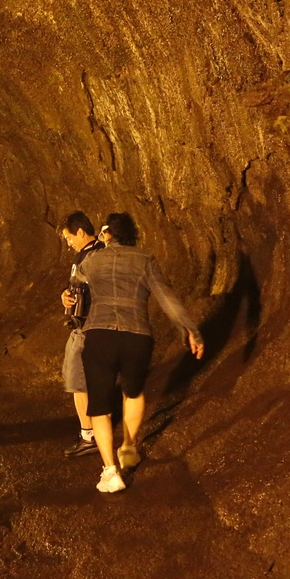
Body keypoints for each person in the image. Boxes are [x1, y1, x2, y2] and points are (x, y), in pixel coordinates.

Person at [74, 212, 204, 494]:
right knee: (132, 393)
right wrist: (190, 329)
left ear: (107, 234)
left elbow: (77, 279)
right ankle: (128, 447)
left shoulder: (93, 260)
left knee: (99, 405)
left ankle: (111, 472)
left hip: (100, 335)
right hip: (136, 336)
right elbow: (166, 297)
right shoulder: (145, 259)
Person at [57, 212, 105, 458]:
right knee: (81, 381)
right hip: (82, 325)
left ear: (80, 232)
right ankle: (94, 432)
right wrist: (65, 295)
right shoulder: (85, 254)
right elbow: (77, 286)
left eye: (69, 237)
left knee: (79, 382)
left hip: (89, 327)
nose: (68, 243)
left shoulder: (98, 255)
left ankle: (90, 436)